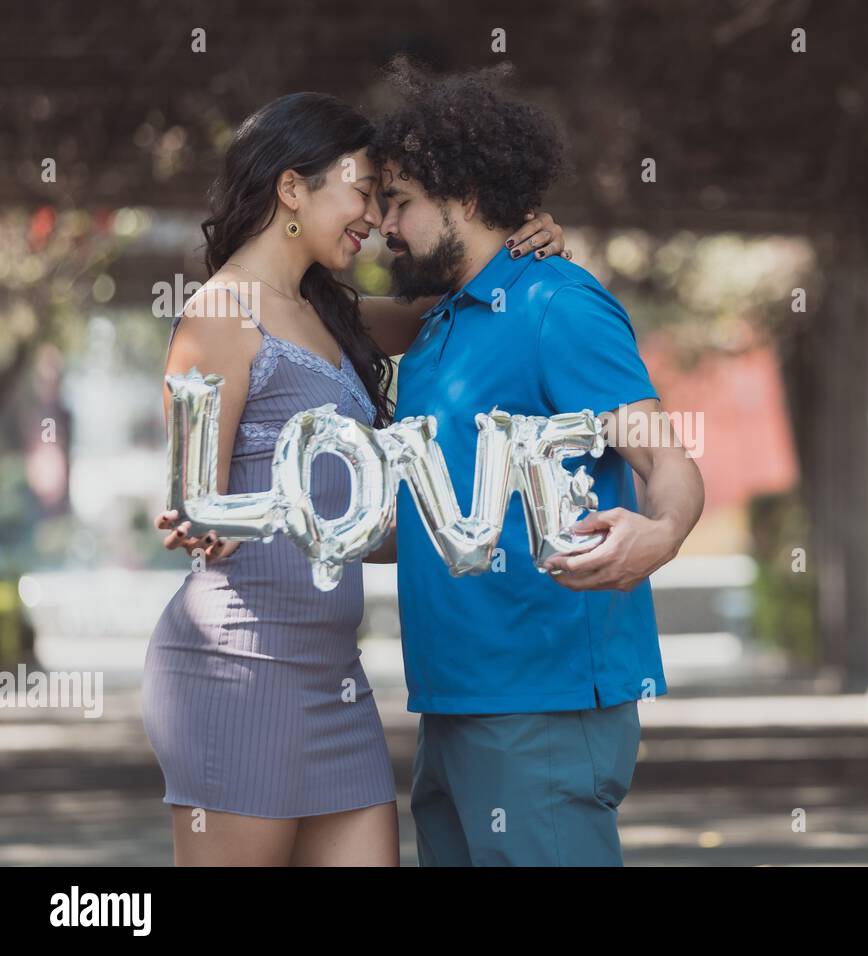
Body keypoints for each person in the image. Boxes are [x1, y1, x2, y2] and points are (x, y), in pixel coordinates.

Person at [145, 89, 568, 866]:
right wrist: (200, 518)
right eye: (364, 192)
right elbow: (191, 503)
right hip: (237, 671)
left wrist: (520, 238)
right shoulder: (220, 314)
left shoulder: (334, 313)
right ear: (293, 188)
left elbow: (469, 300)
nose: (376, 217)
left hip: (333, 680)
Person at [372, 62, 705, 866]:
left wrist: (661, 535)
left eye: (400, 203)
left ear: (468, 199)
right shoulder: (436, 330)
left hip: (544, 707)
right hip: (451, 702)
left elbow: (670, 462)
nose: (383, 225)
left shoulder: (559, 304)